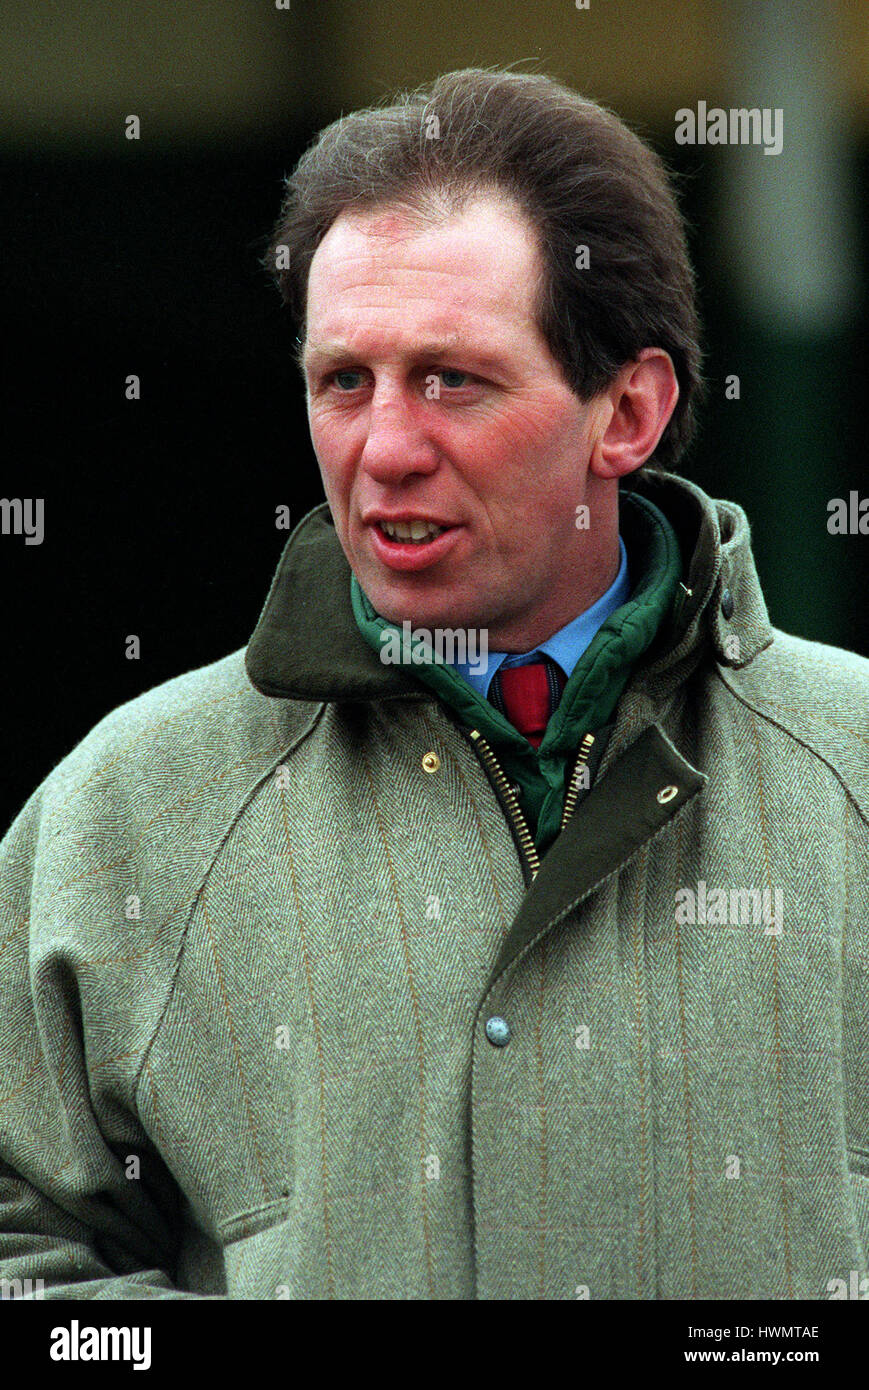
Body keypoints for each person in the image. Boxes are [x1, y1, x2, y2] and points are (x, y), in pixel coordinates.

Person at [0, 67, 867, 1302]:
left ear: (626, 412)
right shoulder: (127, 807)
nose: (384, 448)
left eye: (450, 379)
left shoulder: (852, 767)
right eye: (343, 381)